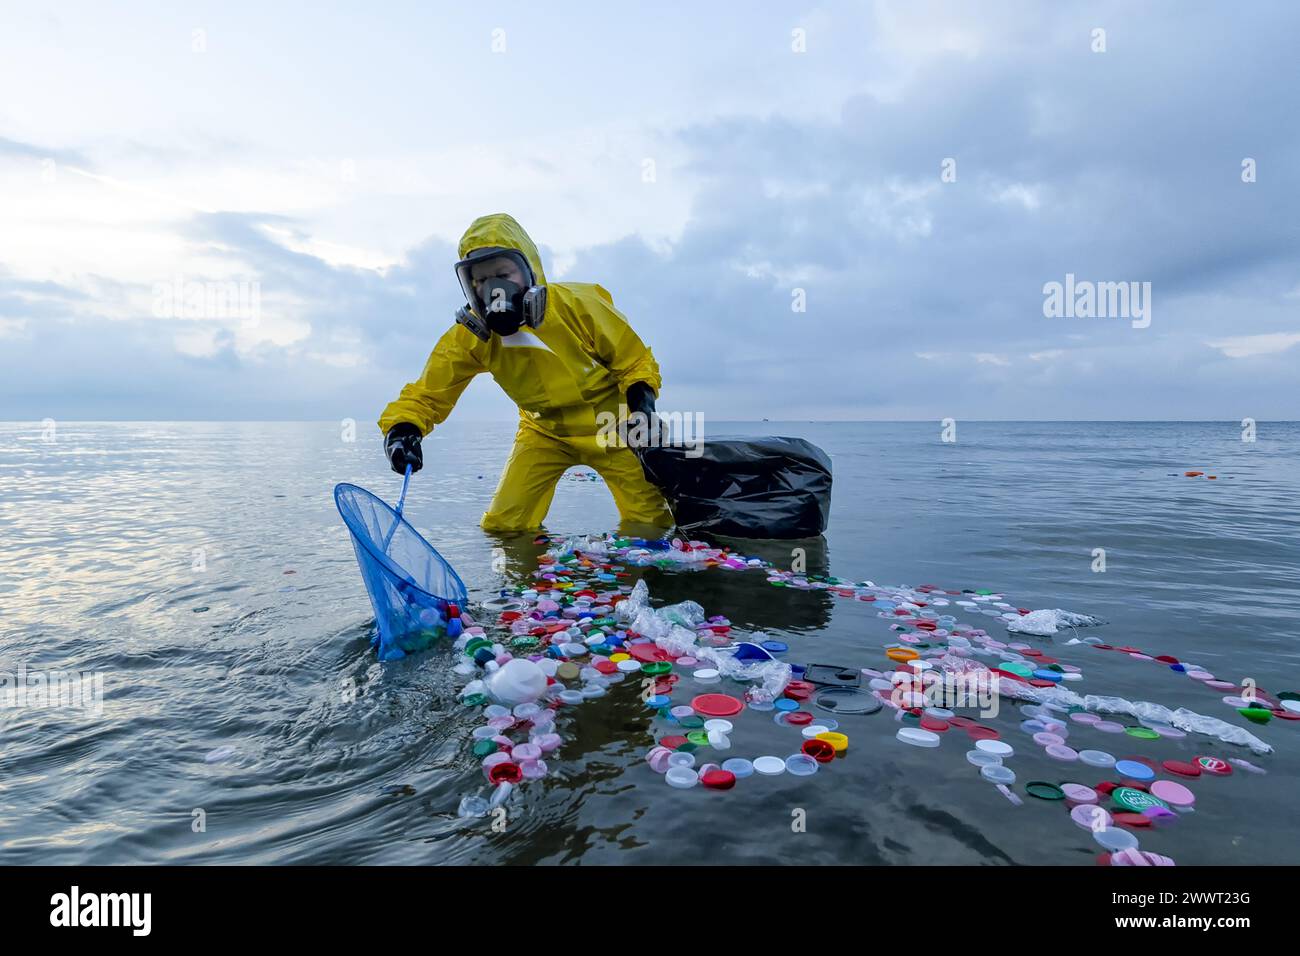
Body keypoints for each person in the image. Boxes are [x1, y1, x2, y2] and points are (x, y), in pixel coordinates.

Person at [378, 213, 673, 533]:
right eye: (480, 280)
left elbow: (634, 361)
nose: (494, 289)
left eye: (503, 274)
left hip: (613, 428)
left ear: (530, 269)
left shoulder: (580, 306)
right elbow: (427, 394)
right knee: (504, 527)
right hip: (542, 434)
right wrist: (402, 429)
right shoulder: (472, 338)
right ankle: (522, 574)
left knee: (652, 525)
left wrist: (643, 410)